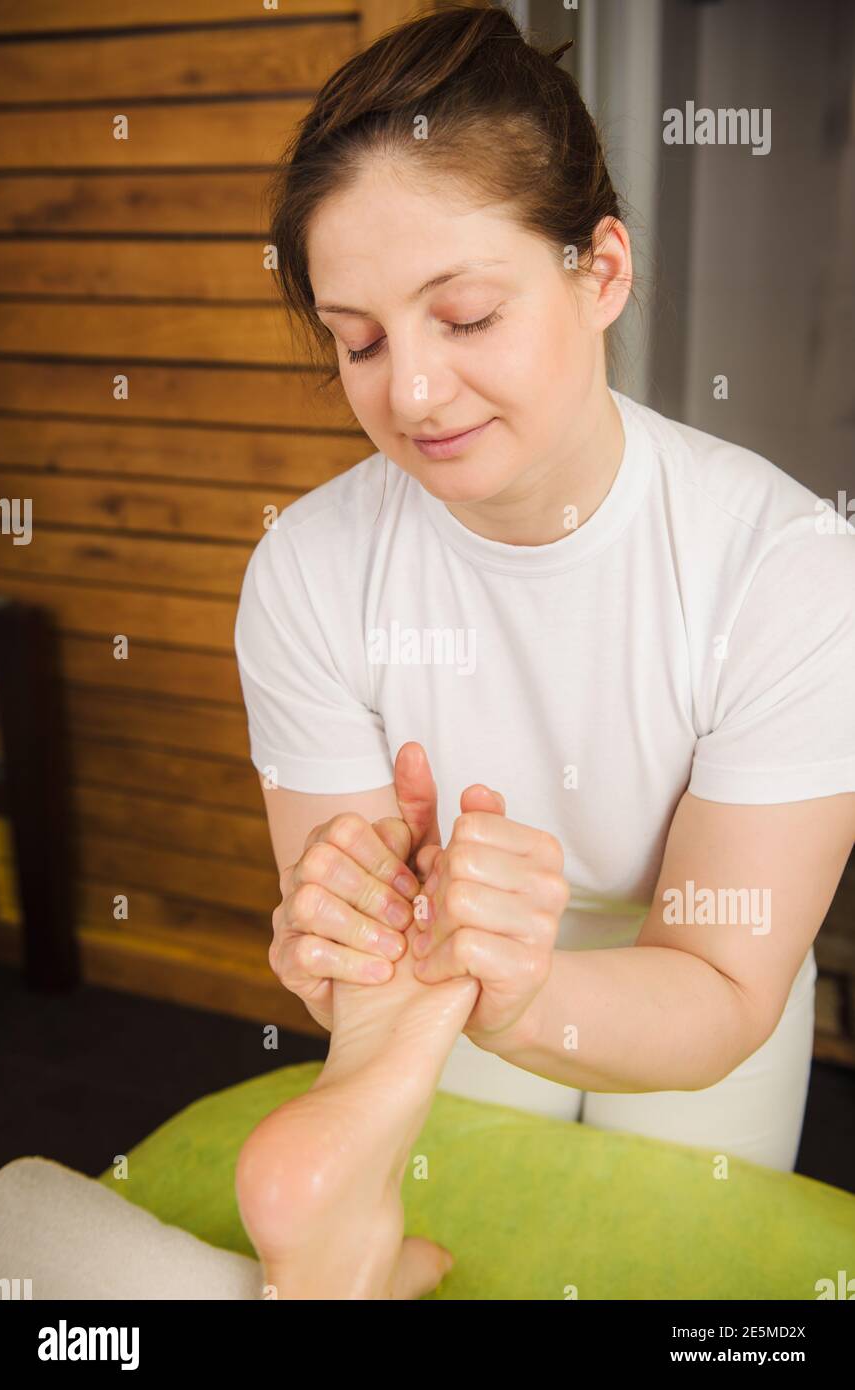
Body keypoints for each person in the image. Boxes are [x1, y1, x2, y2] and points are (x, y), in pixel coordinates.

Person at [234, 1, 855, 1184]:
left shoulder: (788, 570)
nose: (411, 393)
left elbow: (724, 985)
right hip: (449, 975)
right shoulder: (310, 570)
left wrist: (531, 997)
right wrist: (337, 942)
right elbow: (356, 957)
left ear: (600, 270)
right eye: (359, 343)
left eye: (465, 316)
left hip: (695, 989)